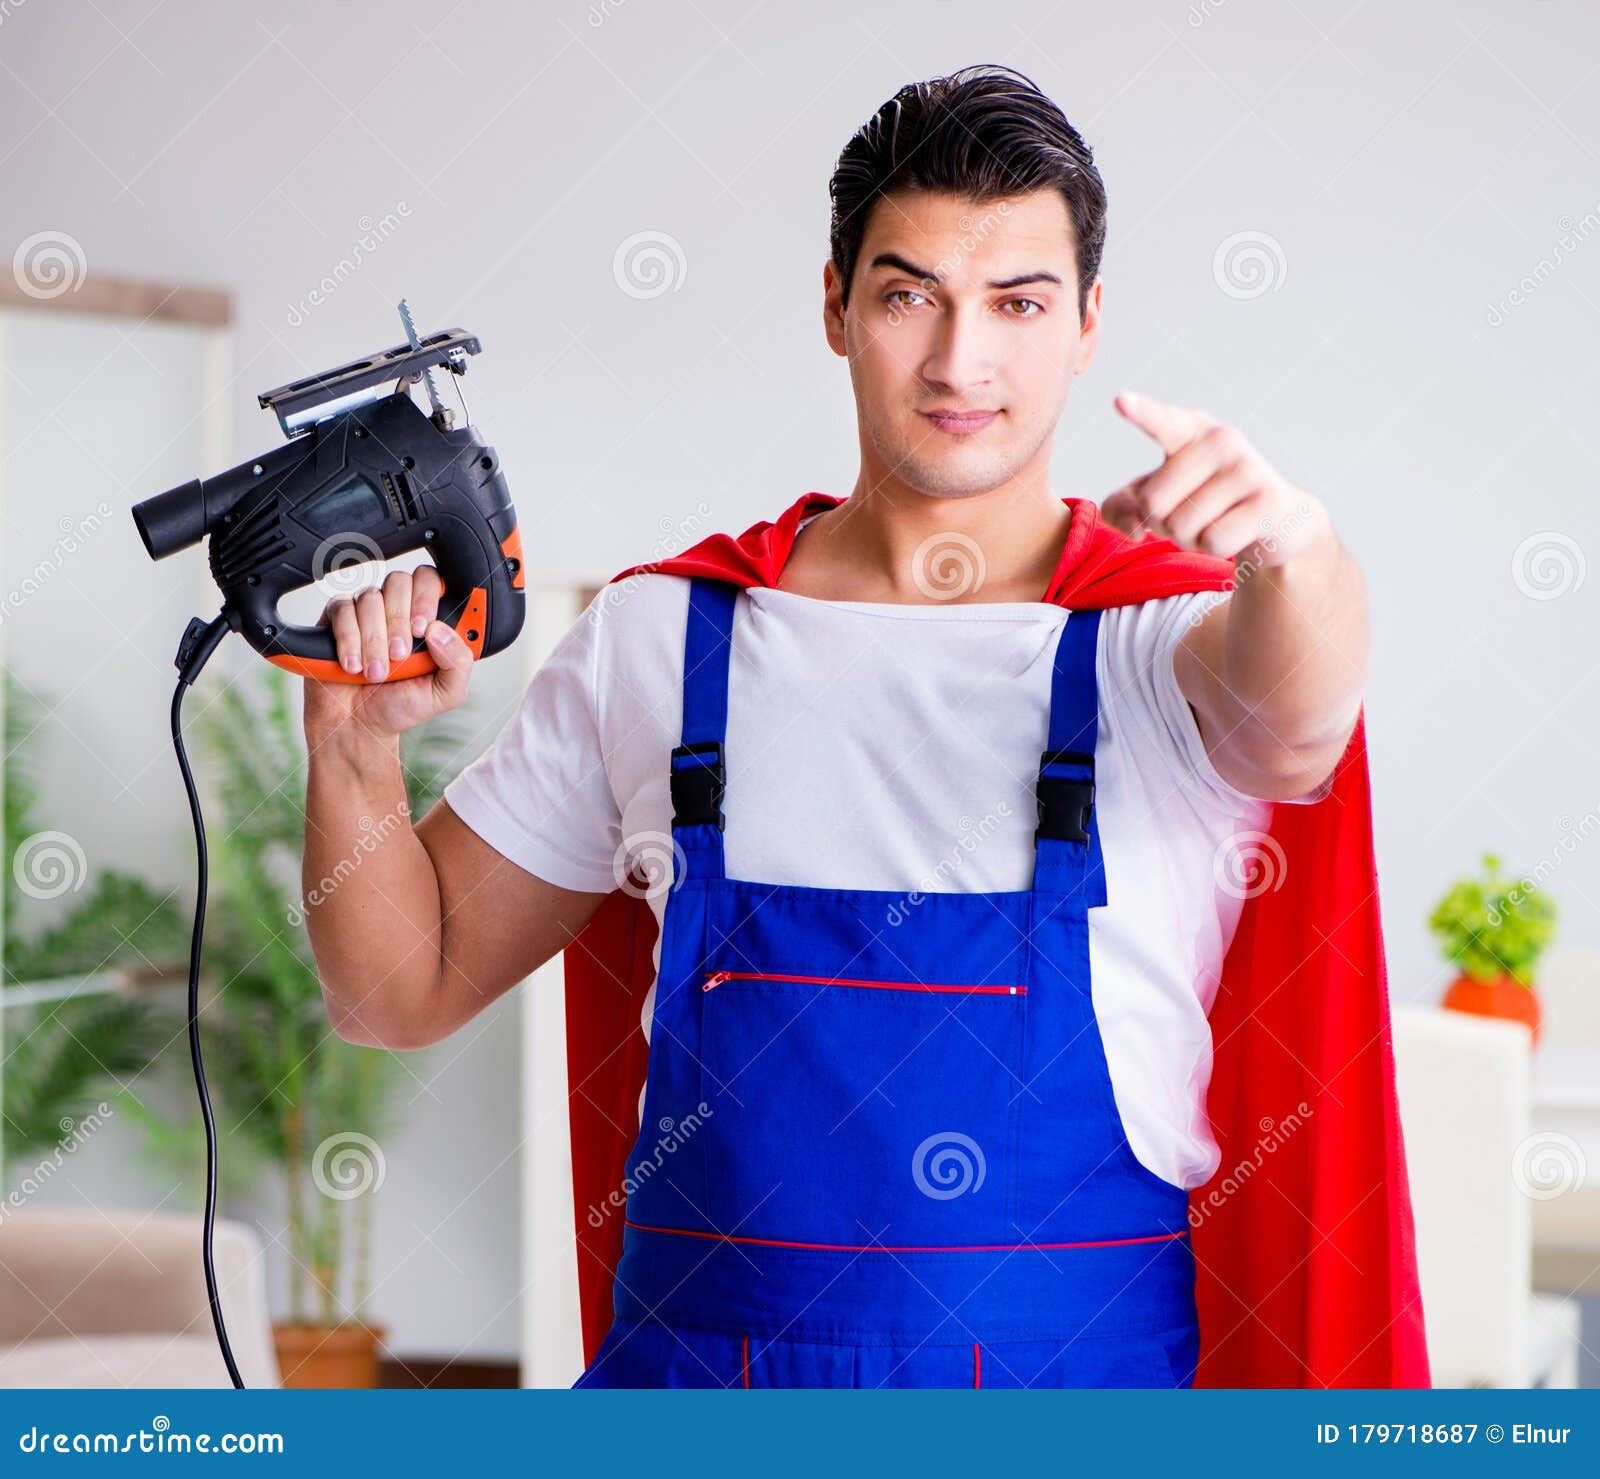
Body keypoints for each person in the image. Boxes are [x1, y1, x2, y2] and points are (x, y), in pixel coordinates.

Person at [302, 65, 1424, 1390]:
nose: (962, 361)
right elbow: (396, 989)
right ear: (835, 307)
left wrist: (1299, 548)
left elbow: (1301, 719)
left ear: (1087, 322)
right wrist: (352, 751)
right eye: (910, 296)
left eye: (1018, 303)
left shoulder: (1159, 648)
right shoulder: (661, 639)